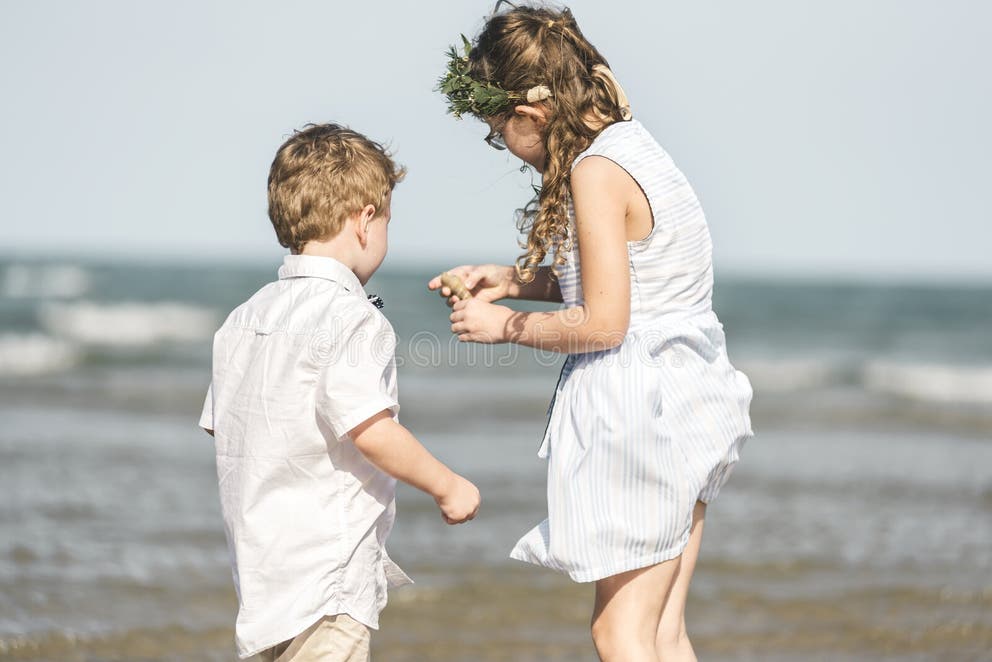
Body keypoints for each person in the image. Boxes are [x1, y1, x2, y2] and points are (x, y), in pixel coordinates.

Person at [429, 5, 753, 661]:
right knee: (663, 631)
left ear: (530, 113)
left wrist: (505, 326)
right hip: (690, 402)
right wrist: (516, 280)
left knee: (619, 633)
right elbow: (628, 280)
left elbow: (605, 322)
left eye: (497, 131)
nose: (502, 146)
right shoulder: (635, 146)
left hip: (643, 419)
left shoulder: (594, 172)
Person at [199, 123, 481, 661]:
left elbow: (227, 424)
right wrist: (447, 485)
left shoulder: (242, 319)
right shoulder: (352, 319)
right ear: (365, 220)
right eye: (388, 221)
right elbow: (370, 429)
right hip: (328, 576)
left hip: (260, 579)